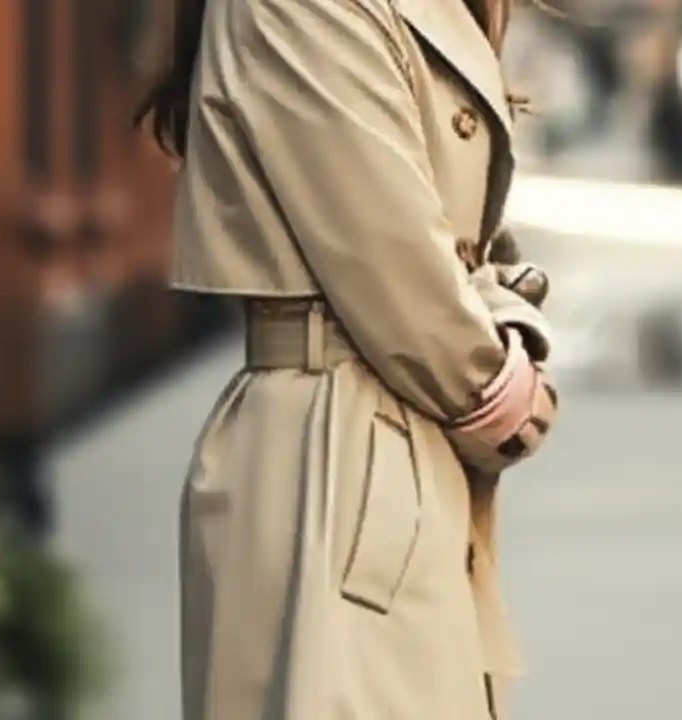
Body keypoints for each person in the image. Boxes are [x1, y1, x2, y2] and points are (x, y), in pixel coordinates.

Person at [137, 0, 559, 717]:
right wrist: (498, 388)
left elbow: (456, 236)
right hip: (335, 455)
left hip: (382, 438)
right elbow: (397, 266)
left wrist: (502, 326)